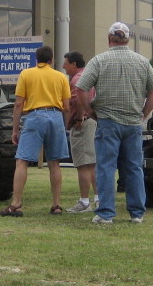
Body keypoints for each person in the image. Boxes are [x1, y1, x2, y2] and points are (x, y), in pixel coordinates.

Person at [76, 22, 153, 224]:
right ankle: (137, 213)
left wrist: (89, 111)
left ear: (109, 39)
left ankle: (106, 213)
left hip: (107, 122)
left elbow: (81, 88)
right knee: (134, 168)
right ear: (128, 39)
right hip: (133, 123)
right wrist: (145, 113)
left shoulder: (99, 61)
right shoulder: (142, 62)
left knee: (105, 167)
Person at [0, 45, 71, 217]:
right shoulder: (61, 77)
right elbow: (67, 107)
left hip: (35, 116)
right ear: (52, 60)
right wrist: (64, 126)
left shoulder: (26, 74)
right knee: (54, 162)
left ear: (36, 59)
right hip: (55, 116)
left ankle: (16, 204)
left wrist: (15, 129)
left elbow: (18, 104)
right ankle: (56, 205)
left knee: (22, 160)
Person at [62, 50, 98, 213]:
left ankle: (84, 202)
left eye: (66, 63)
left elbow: (78, 100)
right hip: (92, 122)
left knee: (82, 164)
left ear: (74, 64)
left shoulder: (77, 79)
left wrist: (78, 118)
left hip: (82, 123)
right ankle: (98, 198)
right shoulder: (88, 75)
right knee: (92, 164)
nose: (64, 66)